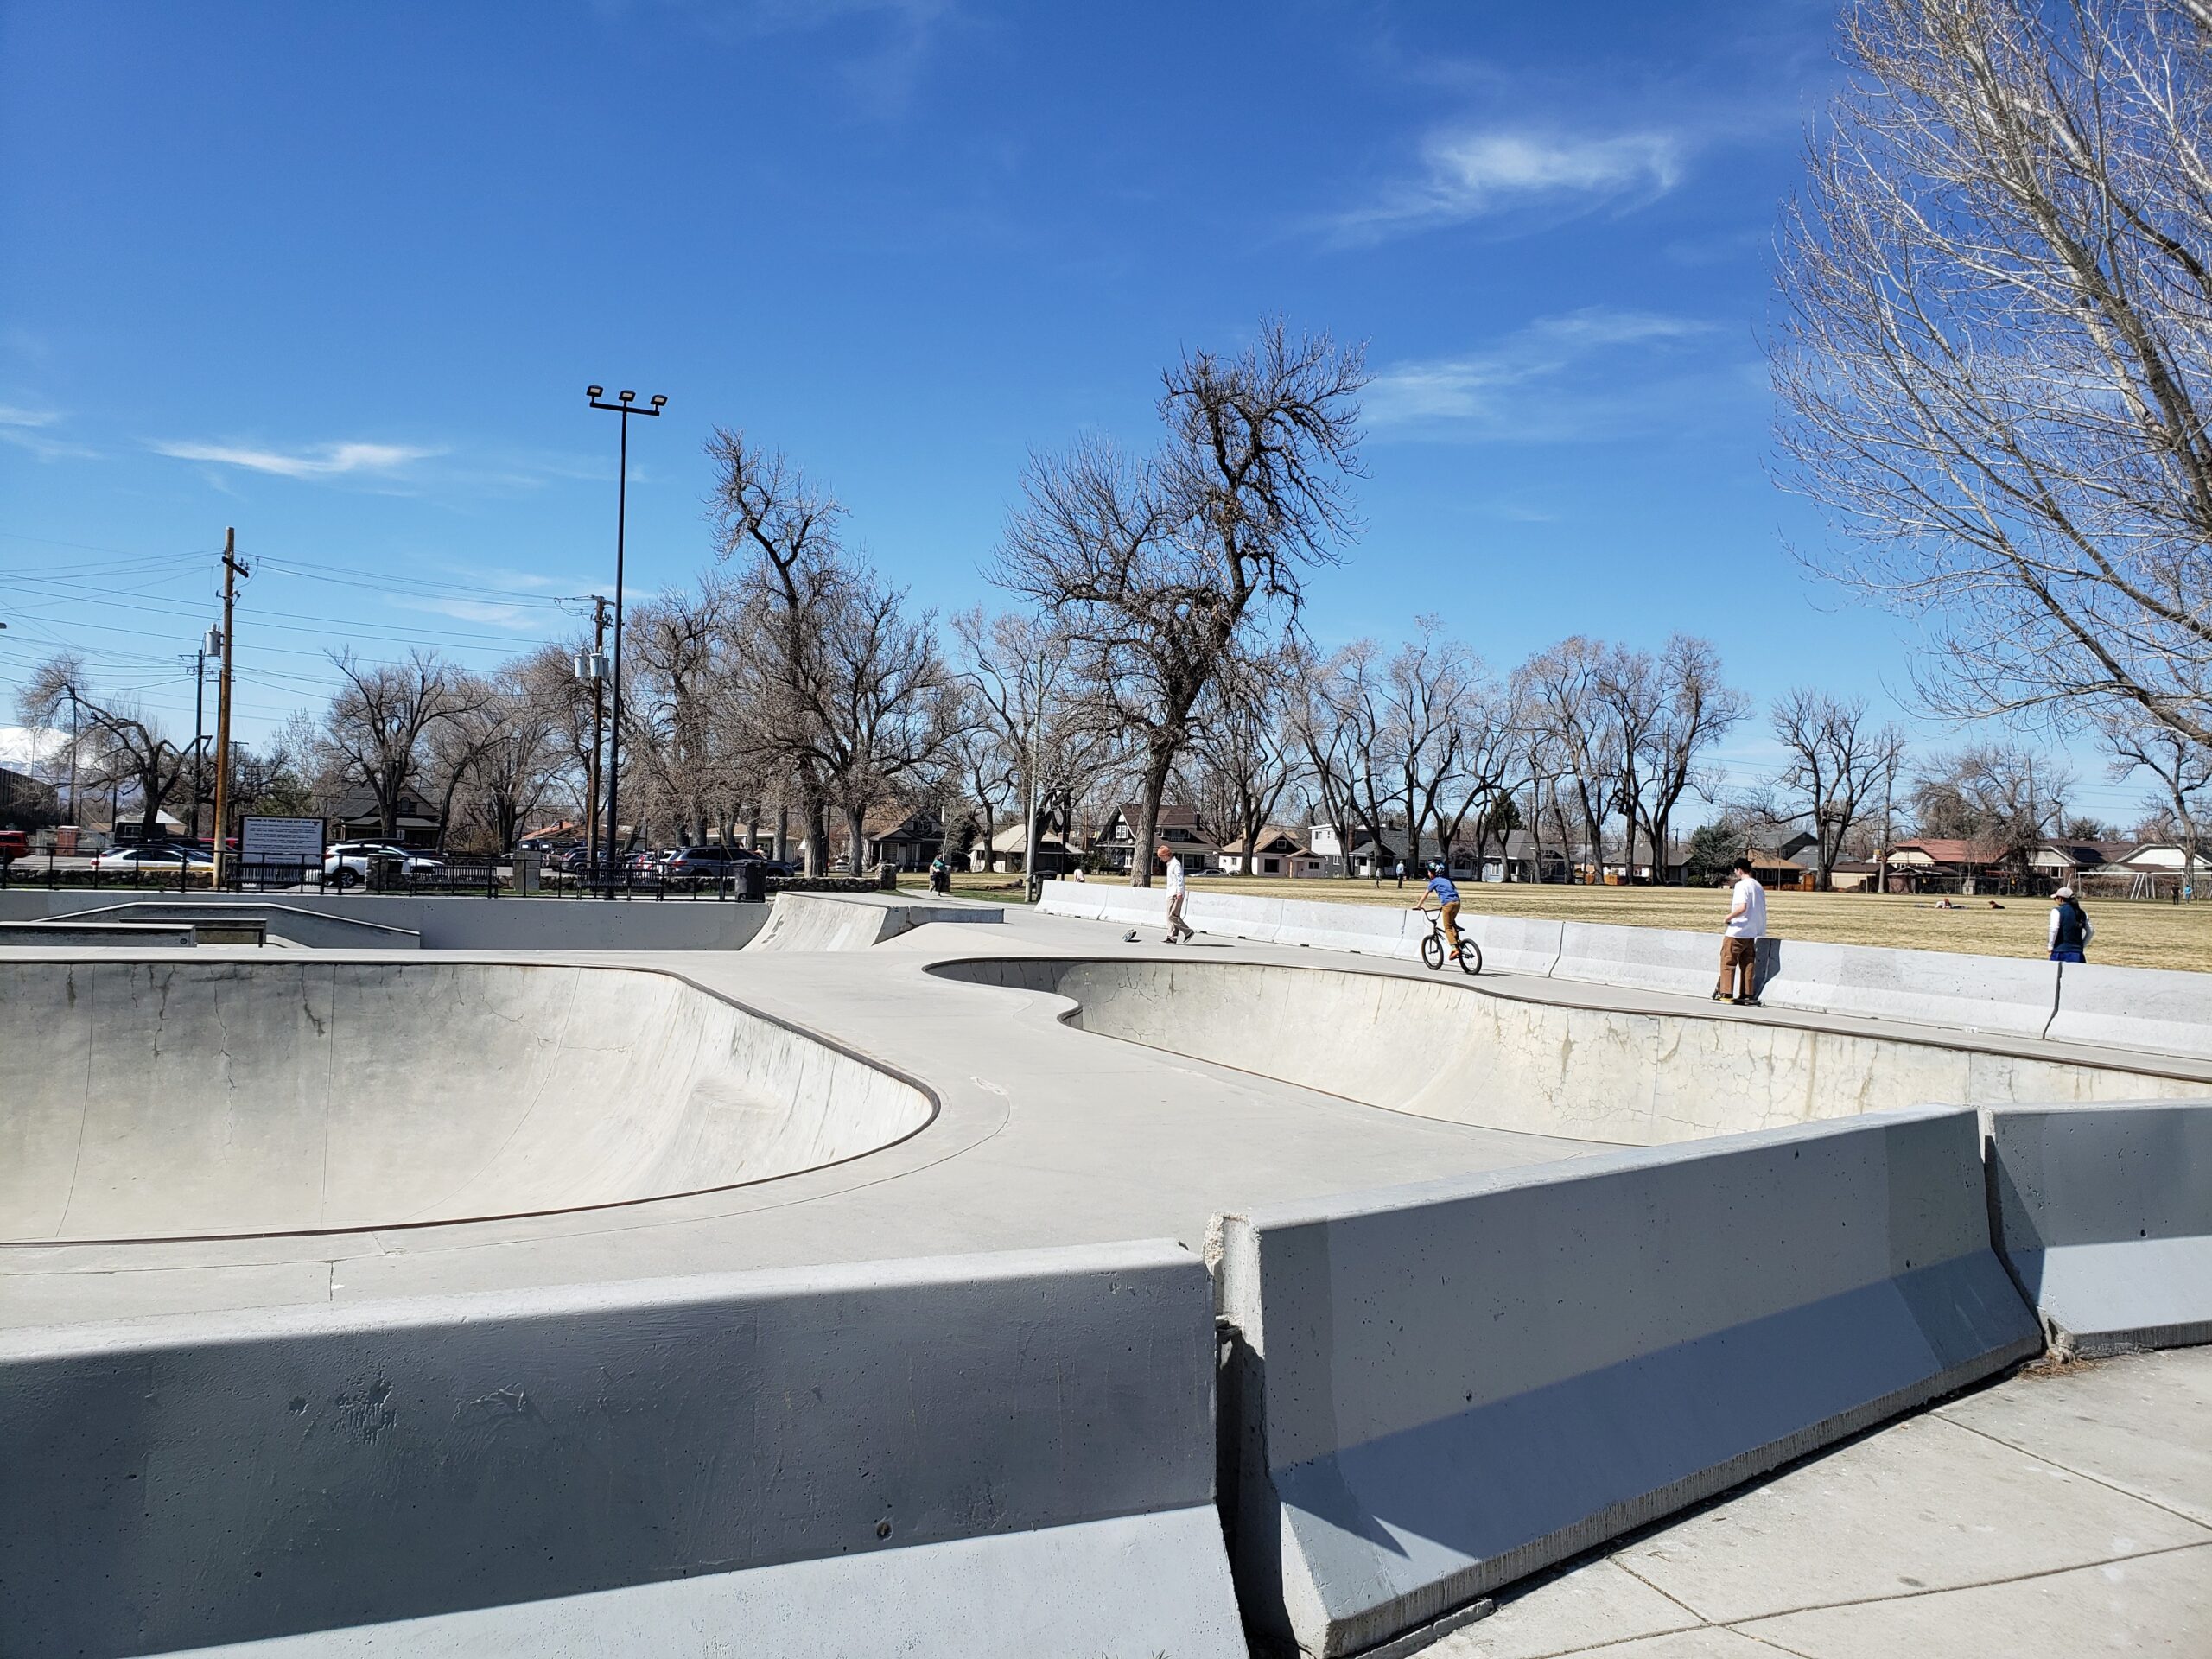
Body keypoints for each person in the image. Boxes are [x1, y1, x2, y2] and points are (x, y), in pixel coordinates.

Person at [1714, 855, 1766, 1005]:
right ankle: (1747, 994)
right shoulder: (1758, 886)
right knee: (1748, 964)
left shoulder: (1741, 886)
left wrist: (1727, 917)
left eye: (1736, 870)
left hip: (1736, 931)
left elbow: (1742, 907)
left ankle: (1726, 992)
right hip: (1751, 933)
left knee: (1728, 962)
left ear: (1739, 870)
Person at [1410, 868, 1463, 956]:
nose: (1428, 874)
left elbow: (1426, 893)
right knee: (1451, 922)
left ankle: (1454, 949)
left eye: (1428, 872)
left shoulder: (1433, 881)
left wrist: (1418, 906)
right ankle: (1457, 939)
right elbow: (1453, 889)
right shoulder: (1447, 880)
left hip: (1447, 904)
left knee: (1447, 927)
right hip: (1457, 903)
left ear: (1431, 873)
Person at [1160, 843, 1195, 944]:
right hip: (1171, 893)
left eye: (1161, 857)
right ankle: (1172, 937)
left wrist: (1179, 891)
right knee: (1170, 916)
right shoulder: (1170, 864)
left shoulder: (1175, 864)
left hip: (1175, 894)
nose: (1161, 859)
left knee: (1172, 916)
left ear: (1166, 855)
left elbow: (1180, 878)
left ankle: (1188, 931)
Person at [2049, 886, 2093, 963]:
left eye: (2055, 898)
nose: (2055, 900)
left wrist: (2050, 945)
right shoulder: (2082, 913)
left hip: (2060, 952)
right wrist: (2082, 945)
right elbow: (2091, 931)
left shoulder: (2056, 911)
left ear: (2061, 899)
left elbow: (2054, 929)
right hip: (2077, 954)